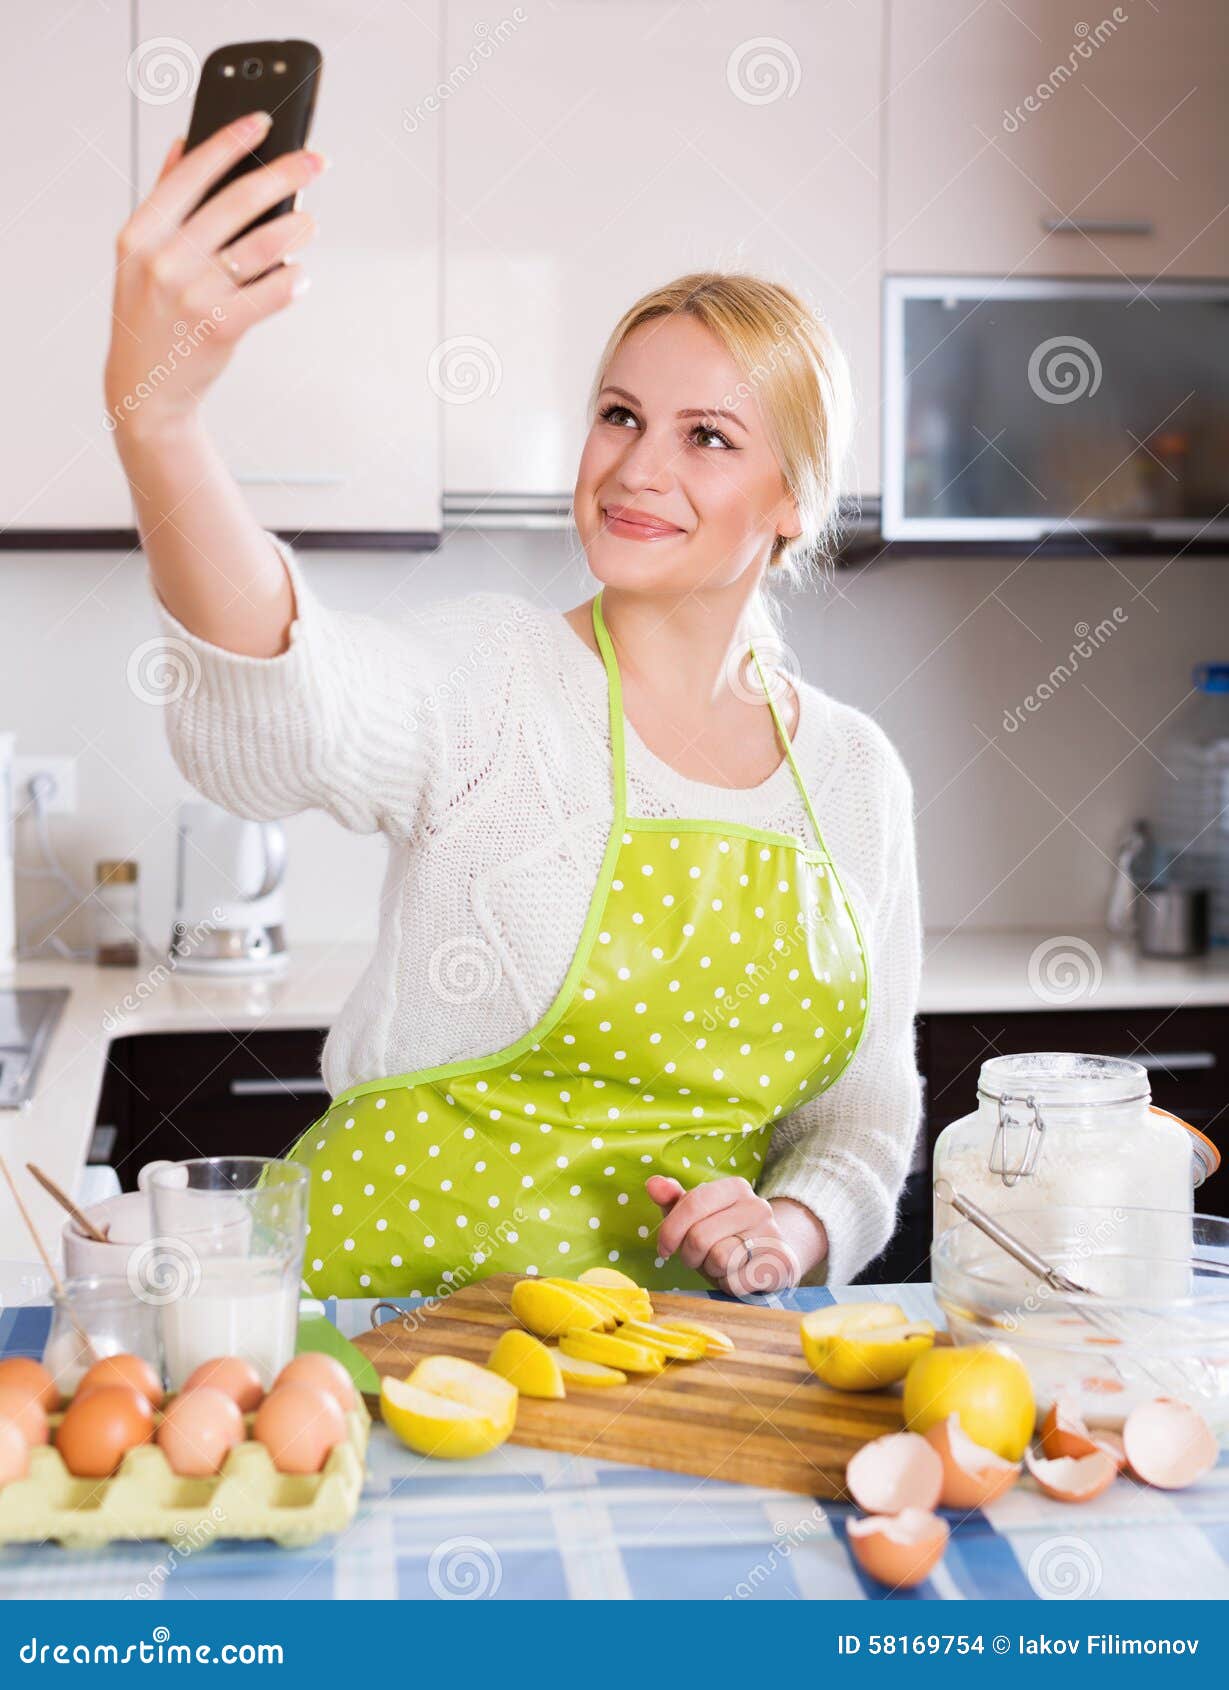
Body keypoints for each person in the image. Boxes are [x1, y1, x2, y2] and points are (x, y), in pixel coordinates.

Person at [106, 113, 922, 1302]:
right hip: (374, 1330)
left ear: (791, 498)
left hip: (655, 1362)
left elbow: (859, 1127)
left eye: (706, 437)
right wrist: (160, 422)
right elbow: (293, 712)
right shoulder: (492, 678)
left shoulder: (855, 775)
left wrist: (784, 1233)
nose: (638, 468)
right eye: (619, 414)